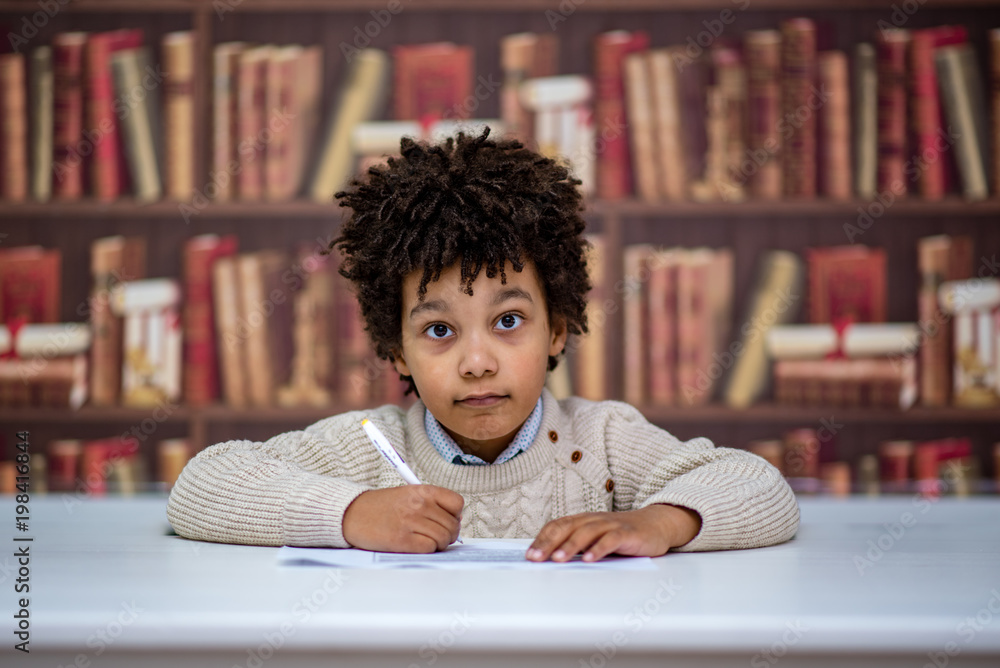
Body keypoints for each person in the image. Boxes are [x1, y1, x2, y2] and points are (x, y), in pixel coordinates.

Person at [166, 127, 799, 562]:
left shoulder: (603, 443)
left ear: (557, 329)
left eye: (508, 321)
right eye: (438, 331)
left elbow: (761, 488)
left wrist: (656, 523)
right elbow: (200, 486)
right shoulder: (368, 449)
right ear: (396, 350)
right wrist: (353, 513)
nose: (477, 362)